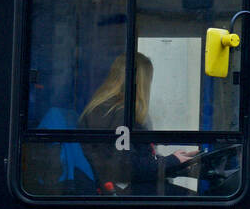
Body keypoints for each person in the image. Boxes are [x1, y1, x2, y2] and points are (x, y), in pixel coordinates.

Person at [78, 53, 194, 194]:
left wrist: (176, 163)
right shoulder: (121, 113)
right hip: (125, 192)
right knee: (199, 202)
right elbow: (126, 167)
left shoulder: (105, 109)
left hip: (124, 187)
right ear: (140, 81)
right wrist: (171, 161)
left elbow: (131, 158)